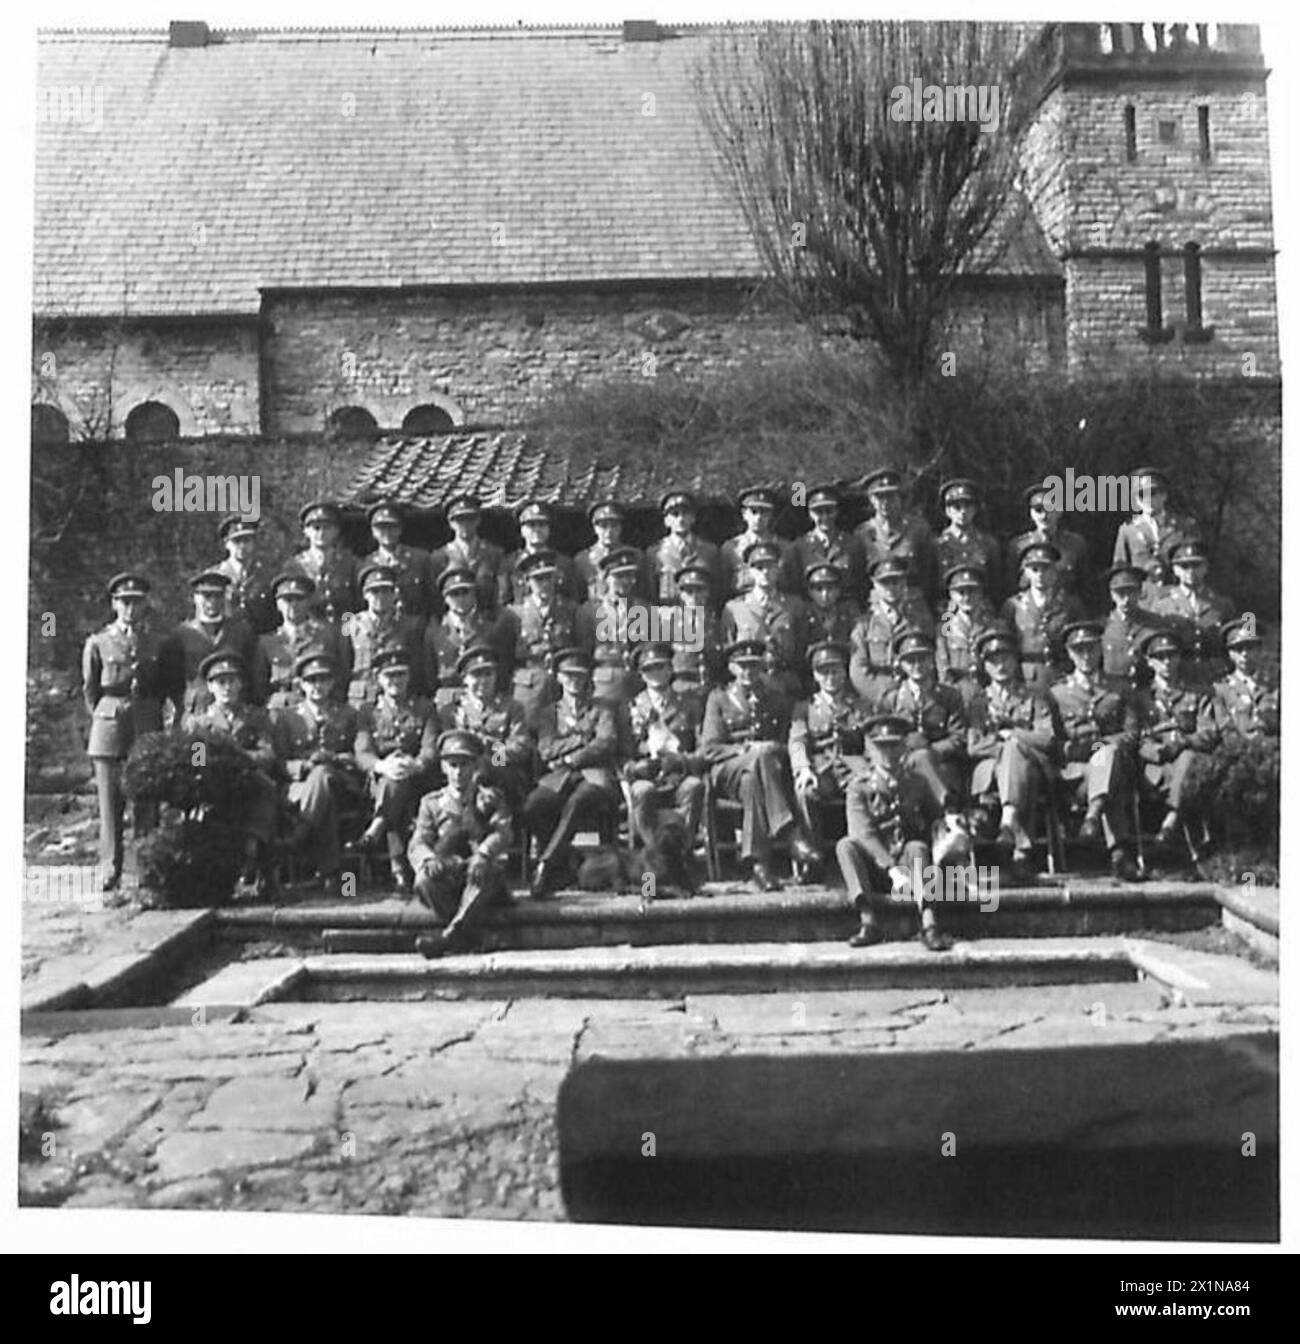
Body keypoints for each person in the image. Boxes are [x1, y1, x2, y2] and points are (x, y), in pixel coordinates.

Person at [81, 572, 184, 891]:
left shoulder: (161, 642)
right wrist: (106, 715)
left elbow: (171, 687)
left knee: (146, 802)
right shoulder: (98, 642)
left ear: (145, 605)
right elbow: (90, 690)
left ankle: (145, 867)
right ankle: (110, 867)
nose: (130, 609)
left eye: (136, 602)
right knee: (110, 804)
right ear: (114, 604)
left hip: (147, 723)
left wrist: (166, 721)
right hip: (109, 727)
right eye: (124, 602)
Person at [836, 714, 967, 953]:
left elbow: (934, 818)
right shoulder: (859, 787)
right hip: (875, 867)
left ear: (905, 746)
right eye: (881, 747)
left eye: (894, 745)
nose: (888, 754)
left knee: (917, 847)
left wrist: (947, 832)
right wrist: (890, 868)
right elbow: (863, 833)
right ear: (870, 749)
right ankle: (868, 921)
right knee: (846, 845)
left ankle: (929, 924)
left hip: (910, 865)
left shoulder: (916, 782)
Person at [701, 639, 820, 890]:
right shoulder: (718, 698)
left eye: (754, 666)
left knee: (753, 780)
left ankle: (759, 867)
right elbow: (710, 749)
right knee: (760, 757)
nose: (748, 672)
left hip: (760, 775)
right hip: (726, 769)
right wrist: (745, 750)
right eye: (742, 666)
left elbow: (787, 740)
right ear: (732, 668)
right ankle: (790, 832)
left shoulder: (775, 698)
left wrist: (764, 752)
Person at [523, 648, 621, 898]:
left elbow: (606, 742)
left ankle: (546, 864)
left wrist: (570, 756)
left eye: (579, 676)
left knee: (580, 800)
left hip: (594, 775)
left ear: (588, 678)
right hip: (559, 777)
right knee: (534, 804)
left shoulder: (602, 708)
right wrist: (581, 738)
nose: (574, 681)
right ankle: (565, 863)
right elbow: (546, 750)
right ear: (558, 677)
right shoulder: (548, 713)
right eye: (568, 675)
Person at [182, 651, 280, 898]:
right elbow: (197, 762)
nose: (227, 688)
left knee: (266, 791)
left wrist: (241, 760)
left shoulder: (256, 718)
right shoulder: (199, 724)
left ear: (241, 684)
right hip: (215, 787)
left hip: (248, 783)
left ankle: (252, 852)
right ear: (210, 686)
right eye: (220, 682)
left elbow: (268, 754)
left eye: (232, 681)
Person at [409, 730, 514, 958]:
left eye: (464, 765)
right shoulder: (431, 803)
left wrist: (484, 854)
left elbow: (503, 832)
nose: (458, 772)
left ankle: (448, 939)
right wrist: (429, 859)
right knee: (423, 880)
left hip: (482, 874)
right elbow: (418, 841)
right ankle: (470, 936)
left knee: (483, 873)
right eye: (452, 765)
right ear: (443, 768)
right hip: (450, 873)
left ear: (476, 766)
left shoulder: (489, 798)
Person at [1049, 621, 1141, 880]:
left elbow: (1132, 732)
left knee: (1108, 758)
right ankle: (1119, 852)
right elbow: (1052, 741)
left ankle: (1092, 818)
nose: (1086, 656)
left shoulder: (1119, 688)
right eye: (1079, 650)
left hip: (1116, 766)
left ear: (1099, 650)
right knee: (1105, 766)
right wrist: (1074, 749)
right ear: (1069, 653)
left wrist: (1103, 747)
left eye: (1090, 649)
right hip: (1076, 775)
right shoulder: (1057, 693)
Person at [966, 627, 1057, 880]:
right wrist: (1004, 745)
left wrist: (1014, 737)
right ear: (985, 667)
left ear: (1016, 661)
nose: (1001, 665)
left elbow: (1047, 738)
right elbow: (973, 746)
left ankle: (1009, 825)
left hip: (1031, 767)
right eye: (993, 661)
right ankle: (1020, 847)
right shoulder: (979, 703)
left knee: (1017, 755)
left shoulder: (1034, 696)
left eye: (1005, 658)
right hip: (990, 770)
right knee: (1013, 754)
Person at [275, 650, 365, 891]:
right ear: (301, 685)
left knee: (324, 774)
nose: (317, 686)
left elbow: (359, 755)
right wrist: (304, 766)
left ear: (332, 682)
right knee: (322, 790)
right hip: (300, 785)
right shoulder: (287, 717)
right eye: (311, 680)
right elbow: (280, 761)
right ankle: (331, 872)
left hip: (341, 782)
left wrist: (333, 758)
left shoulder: (348, 713)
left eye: (323, 679)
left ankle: (301, 833)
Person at [352, 645, 438, 892]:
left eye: (400, 674)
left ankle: (380, 835)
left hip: (418, 778)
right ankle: (399, 865)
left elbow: (430, 748)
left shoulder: (424, 707)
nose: (395, 681)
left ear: (409, 676)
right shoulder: (368, 712)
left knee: (397, 782)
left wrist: (417, 764)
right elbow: (362, 752)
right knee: (393, 782)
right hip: (382, 779)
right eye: (389, 676)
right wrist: (381, 765)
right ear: (379, 679)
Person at [1132, 629, 1217, 848]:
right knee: (1186, 770)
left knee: (1188, 758)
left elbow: (1209, 733)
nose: (1166, 662)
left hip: (1188, 763)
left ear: (1179, 657)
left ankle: (1170, 820)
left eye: (1171, 655)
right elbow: (1134, 737)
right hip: (1155, 769)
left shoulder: (1197, 693)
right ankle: (1181, 827)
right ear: (1150, 662)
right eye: (1159, 657)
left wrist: (1183, 743)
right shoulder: (1140, 698)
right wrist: (1154, 751)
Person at [622, 642, 706, 849]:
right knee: (642, 792)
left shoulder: (689, 704)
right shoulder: (631, 707)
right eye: (648, 669)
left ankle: (683, 849)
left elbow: (702, 749)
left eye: (660, 667)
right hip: (646, 777)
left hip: (679, 775)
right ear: (641, 675)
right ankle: (653, 854)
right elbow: (623, 754)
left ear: (670, 669)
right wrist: (634, 768)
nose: (655, 673)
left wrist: (681, 761)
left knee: (694, 787)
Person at [788, 640, 876, 835]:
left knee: (874, 789)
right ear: (815, 675)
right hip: (822, 770)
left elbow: (871, 740)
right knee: (805, 792)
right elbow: (797, 740)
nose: (830, 677)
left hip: (854, 768)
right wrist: (802, 768)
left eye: (835, 671)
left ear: (844, 672)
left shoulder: (860, 706)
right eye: (823, 672)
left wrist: (875, 767)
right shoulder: (804, 707)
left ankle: (866, 848)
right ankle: (813, 854)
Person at [877, 629, 969, 811]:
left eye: (922, 659)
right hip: (902, 765)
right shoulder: (892, 698)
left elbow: (959, 738)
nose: (917, 665)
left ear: (932, 661)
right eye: (910, 660)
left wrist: (930, 750)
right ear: (902, 664)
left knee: (923, 757)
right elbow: (879, 739)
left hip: (943, 765)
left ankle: (947, 810)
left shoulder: (949, 696)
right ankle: (948, 811)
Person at [437, 644, 533, 804]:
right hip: (460, 772)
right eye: (476, 675)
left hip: (502, 771)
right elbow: (445, 746)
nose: (483, 681)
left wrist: (490, 751)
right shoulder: (452, 710)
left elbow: (521, 746)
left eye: (488, 674)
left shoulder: (512, 707)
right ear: (465, 679)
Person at [722, 538, 809, 700]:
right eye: (759, 567)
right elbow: (727, 652)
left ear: (779, 568)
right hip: (749, 686)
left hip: (787, 686)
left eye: (770, 566)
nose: (765, 572)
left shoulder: (795, 606)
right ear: (749, 572)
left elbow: (802, 648)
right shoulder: (734, 609)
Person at [509, 549, 589, 722]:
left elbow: (581, 647)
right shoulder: (514, 614)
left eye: (549, 578)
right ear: (527, 582)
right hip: (528, 685)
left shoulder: (571, 610)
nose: (545, 584)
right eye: (538, 579)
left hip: (564, 683)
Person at [164, 569, 259, 714]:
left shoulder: (241, 631)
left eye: (218, 596)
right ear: (195, 598)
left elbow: (253, 675)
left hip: (235, 710)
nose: (212, 602)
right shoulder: (181, 635)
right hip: (195, 711)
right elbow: (172, 681)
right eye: (207, 596)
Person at [254, 571, 351, 712]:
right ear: (278, 604)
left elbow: (342, 676)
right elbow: (259, 688)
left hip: (323, 708)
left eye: (299, 599)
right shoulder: (266, 643)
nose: (293, 604)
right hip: (280, 710)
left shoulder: (328, 635)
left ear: (309, 602)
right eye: (288, 599)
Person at [999, 541, 1084, 691]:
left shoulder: (1071, 605)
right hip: (1027, 679)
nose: (1040, 575)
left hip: (1062, 678)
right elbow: (1006, 646)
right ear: (1026, 572)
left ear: (1055, 571)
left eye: (1046, 569)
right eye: (1034, 569)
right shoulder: (1013, 606)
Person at [849, 556, 933, 706]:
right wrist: (886, 698)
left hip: (915, 698)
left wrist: (915, 694)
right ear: (874, 585)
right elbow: (858, 672)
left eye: (896, 581)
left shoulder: (921, 620)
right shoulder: (864, 625)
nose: (891, 588)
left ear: (904, 583)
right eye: (885, 583)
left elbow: (932, 660)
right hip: (876, 701)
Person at [1151, 540, 1236, 687]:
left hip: (1215, 679)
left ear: (1206, 567)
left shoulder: (1223, 604)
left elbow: (1246, 634)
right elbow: (1151, 649)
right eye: (1184, 566)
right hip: (1179, 682)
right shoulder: (1162, 606)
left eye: (1196, 565)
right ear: (1174, 569)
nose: (1190, 571)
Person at [343, 561, 429, 707]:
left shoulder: (410, 625)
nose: (380, 596)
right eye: (375, 591)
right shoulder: (350, 622)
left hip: (399, 696)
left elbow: (417, 666)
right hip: (361, 698)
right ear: (365, 594)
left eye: (386, 590)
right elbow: (343, 663)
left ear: (394, 593)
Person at [424, 564, 516, 699]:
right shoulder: (435, 633)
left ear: (474, 593)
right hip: (448, 702)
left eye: (465, 592)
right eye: (454, 594)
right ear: (445, 598)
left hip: (487, 698)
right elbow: (430, 677)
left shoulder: (491, 628)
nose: (461, 599)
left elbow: (503, 670)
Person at [1112, 465, 1202, 602]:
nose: (1148, 499)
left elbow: (1198, 564)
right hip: (1143, 600)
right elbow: (1121, 572)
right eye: (1142, 495)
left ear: (1164, 495)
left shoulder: (1185, 526)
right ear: (1136, 500)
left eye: (1153, 493)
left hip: (1180, 599)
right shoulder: (1128, 531)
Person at [854, 466, 939, 607]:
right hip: (877, 607)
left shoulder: (919, 530)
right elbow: (859, 580)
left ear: (900, 497)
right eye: (879, 497)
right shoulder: (862, 534)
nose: (885, 502)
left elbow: (929, 575)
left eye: (890, 496)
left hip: (913, 604)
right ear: (871, 499)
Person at [578, 545, 649, 708]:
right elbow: (584, 652)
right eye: (619, 576)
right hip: (603, 683)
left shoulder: (643, 608)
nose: (625, 581)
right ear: (606, 578)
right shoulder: (590, 610)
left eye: (630, 576)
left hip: (636, 682)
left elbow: (647, 648)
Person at [1008, 479, 1089, 601]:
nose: (1044, 516)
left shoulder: (1075, 544)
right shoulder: (1018, 546)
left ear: (1060, 511)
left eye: (1050, 508)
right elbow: (1010, 589)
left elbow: (1086, 588)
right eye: (1038, 510)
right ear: (1031, 513)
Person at [934, 563, 1000, 708]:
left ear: (981, 593)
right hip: (957, 695)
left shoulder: (993, 625)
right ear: (951, 595)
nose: (967, 597)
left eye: (972, 591)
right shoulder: (945, 627)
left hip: (989, 694)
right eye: (961, 592)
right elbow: (943, 669)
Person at [431, 493, 507, 614]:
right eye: (460, 520)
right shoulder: (439, 557)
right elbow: (435, 597)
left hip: (488, 620)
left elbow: (503, 592)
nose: (465, 525)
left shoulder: (493, 553)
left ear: (478, 520)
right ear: (451, 523)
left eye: (470, 518)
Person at [646, 490, 724, 607]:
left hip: (701, 617)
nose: (680, 519)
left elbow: (717, 592)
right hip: (668, 619)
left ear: (693, 518)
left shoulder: (709, 551)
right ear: (666, 520)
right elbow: (650, 594)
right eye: (675, 514)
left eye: (685, 513)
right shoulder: (655, 553)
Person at [365, 499, 438, 625]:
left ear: (400, 529)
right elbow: (353, 608)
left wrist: (433, 628)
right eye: (381, 528)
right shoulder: (366, 564)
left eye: (392, 527)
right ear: (373, 532)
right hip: (382, 630)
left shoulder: (420, 559)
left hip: (418, 628)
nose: (387, 533)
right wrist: (346, 636)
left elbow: (434, 600)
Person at [791, 484, 868, 602]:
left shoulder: (853, 544)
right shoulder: (799, 547)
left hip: (846, 611)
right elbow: (795, 589)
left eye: (829, 511)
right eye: (819, 512)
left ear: (837, 511)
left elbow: (861, 585)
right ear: (810, 515)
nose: (825, 517)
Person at [721, 486, 798, 599]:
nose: (758, 517)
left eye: (764, 512)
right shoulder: (731, 548)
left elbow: (794, 588)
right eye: (754, 511)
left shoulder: (785, 548)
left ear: (771, 515)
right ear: (744, 513)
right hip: (742, 609)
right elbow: (721, 590)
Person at [290, 500, 359, 624]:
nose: (321, 533)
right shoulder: (295, 566)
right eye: (316, 528)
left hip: (344, 630)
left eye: (327, 527)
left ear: (337, 530)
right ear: (306, 531)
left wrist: (347, 633)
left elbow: (356, 604)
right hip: (311, 634)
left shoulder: (350, 563)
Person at [502, 500, 582, 606]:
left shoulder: (564, 563)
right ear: (522, 530)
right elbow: (503, 600)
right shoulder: (510, 563)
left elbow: (573, 600)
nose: (537, 530)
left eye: (542, 525)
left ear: (549, 529)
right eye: (531, 525)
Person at [1100, 563, 1169, 685]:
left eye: (1130, 592)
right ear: (1112, 595)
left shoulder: (1156, 624)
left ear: (1139, 592)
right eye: (1120, 593)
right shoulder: (1103, 627)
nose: (1126, 599)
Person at [1211, 619, 1279, 739]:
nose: (1245, 654)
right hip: (1240, 751)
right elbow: (1225, 728)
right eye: (1238, 649)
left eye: (1250, 648)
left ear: (1260, 650)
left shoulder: (1275, 683)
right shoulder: (1221, 689)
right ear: (1230, 654)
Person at [212, 513, 278, 635]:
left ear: (254, 542)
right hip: (224, 644)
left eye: (246, 540)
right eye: (237, 541)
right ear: (227, 544)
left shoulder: (267, 577)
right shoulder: (214, 577)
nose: (242, 546)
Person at [935, 478, 1001, 598]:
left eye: (968, 506)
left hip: (981, 607)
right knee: (946, 618)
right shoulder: (936, 545)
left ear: (975, 509)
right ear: (947, 511)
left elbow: (996, 587)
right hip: (947, 608)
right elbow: (930, 586)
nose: (963, 512)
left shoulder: (989, 544)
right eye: (957, 507)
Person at [666, 560, 726, 692]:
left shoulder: (716, 622)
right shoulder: (670, 622)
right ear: (681, 594)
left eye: (699, 590)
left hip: (711, 686)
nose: (694, 596)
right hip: (681, 686)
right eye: (688, 591)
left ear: (708, 592)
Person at [575, 500, 649, 602]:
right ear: (594, 528)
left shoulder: (635, 556)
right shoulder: (583, 559)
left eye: (614, 525)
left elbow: (646, 593)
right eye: (603, 526)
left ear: (621, 527)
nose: (609, 531)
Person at [799, 562, 863, 669]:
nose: (825, 594)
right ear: (810, 591)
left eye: (830, 589)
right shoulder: (803, 616)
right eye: (819, 589)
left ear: (838, 590)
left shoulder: (849, 613)